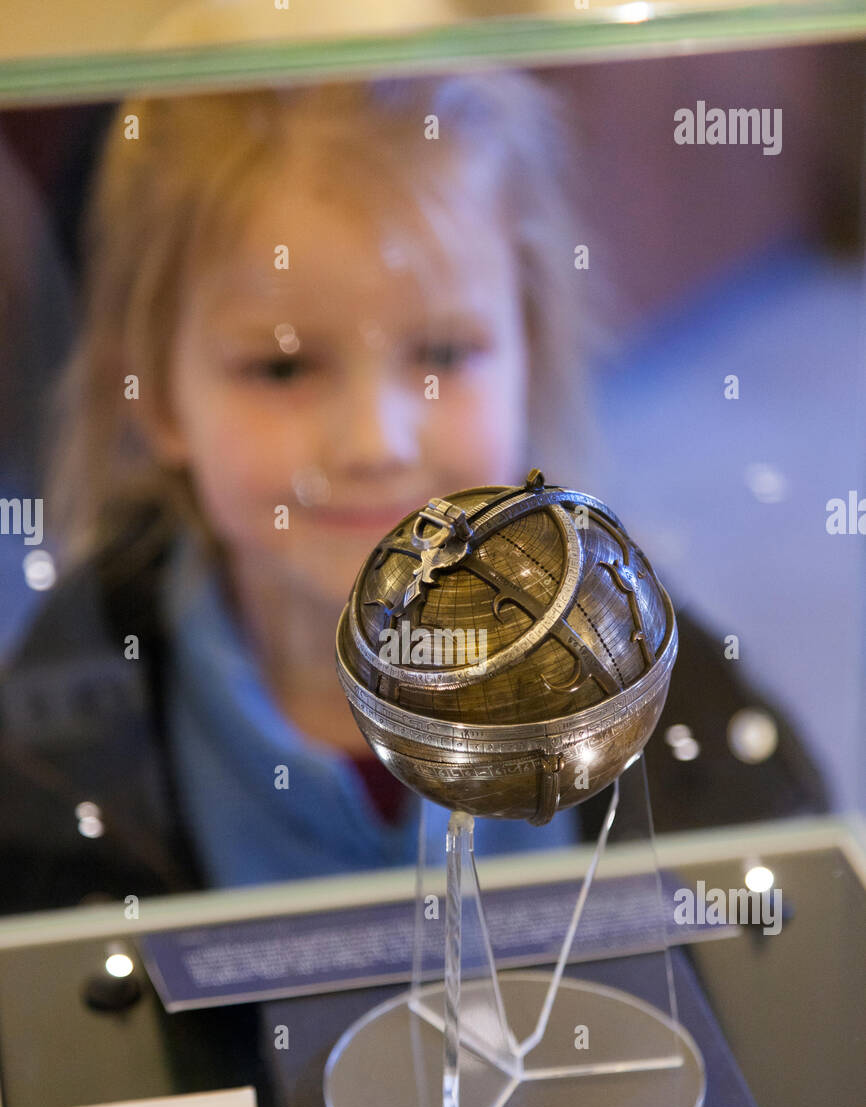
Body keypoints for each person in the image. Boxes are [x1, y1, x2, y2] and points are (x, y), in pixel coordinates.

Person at [0, 74, 828, 917]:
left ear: (528, 357)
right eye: (282, 367)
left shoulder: (672, 703)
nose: (375, 444)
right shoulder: (52, 746)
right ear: (157, 395)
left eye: (441, 354)